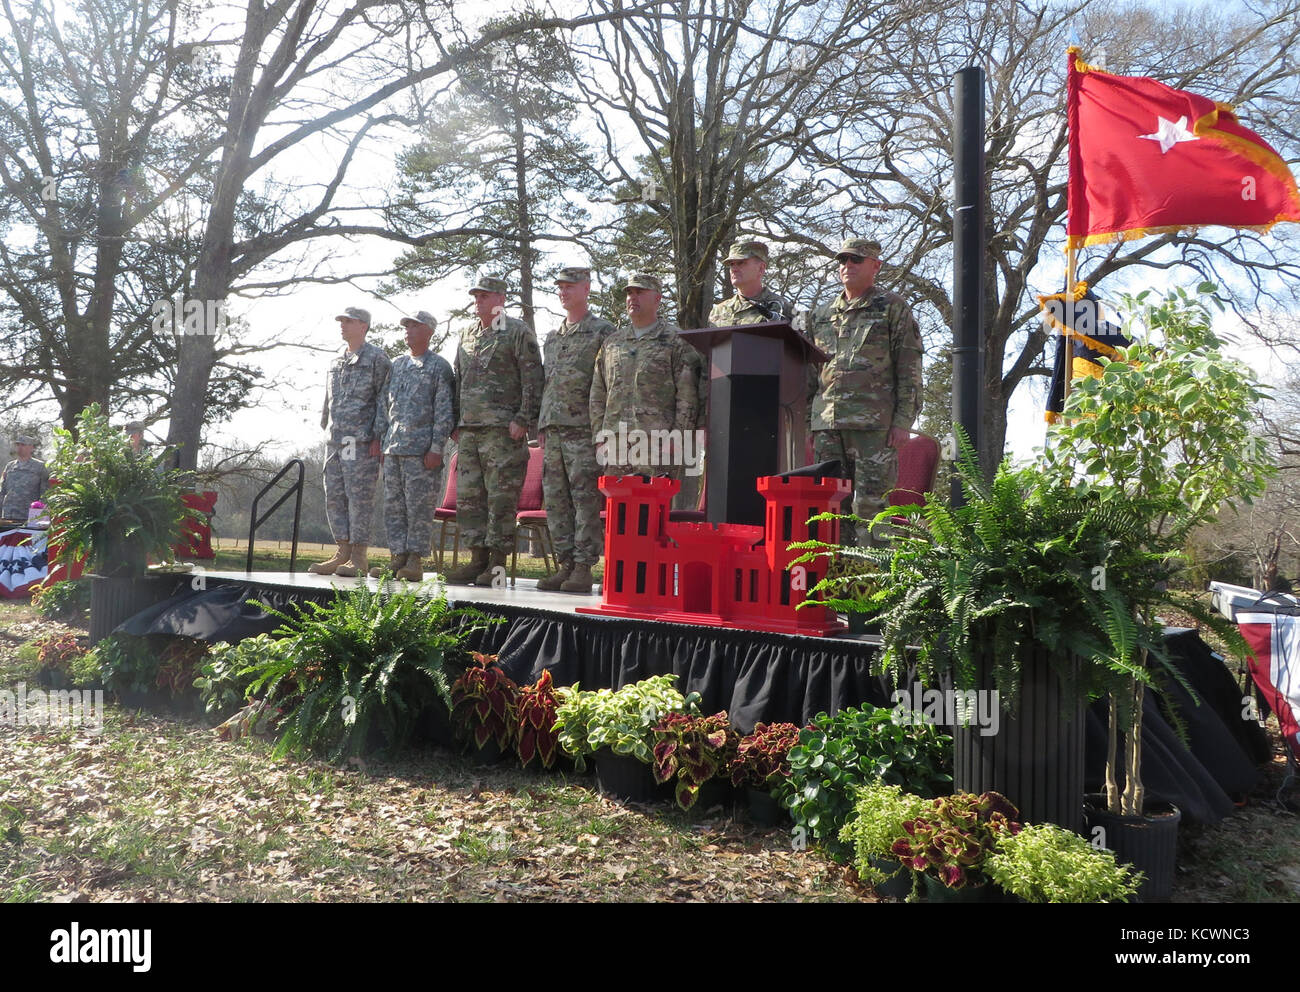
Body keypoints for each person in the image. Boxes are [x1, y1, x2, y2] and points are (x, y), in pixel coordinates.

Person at [810, 237, 923, 545]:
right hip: (829, 426)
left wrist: (903, 422)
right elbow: (811, 372)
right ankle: (836, 581)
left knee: (872, 508)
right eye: (843, 260)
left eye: (856, 260)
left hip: (875, 426)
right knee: (831, 508)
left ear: (876, 265)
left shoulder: (892, 308)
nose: (847, 265)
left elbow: (909, 367)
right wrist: (811, 421)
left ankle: (877, 584)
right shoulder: (821, 314)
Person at [445, 276, 544, 585]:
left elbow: (533, 379)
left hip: (504, 432)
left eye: (485, 295)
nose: (479, 300)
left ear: (501, 297)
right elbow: (458, 381)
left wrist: (523, 418)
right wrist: (455, 422)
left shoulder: (517, 332)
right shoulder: (466, 334)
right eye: (476, 296)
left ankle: (497, 566)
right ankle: (477, 561)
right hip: (470, 431)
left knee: (501, 501)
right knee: (470, 500)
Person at [536, 266, 616, 594]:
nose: (563, 292)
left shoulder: (603, 332)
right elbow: (548, 382)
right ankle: (565, 564)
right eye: (560, 287)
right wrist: (541, 422)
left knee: (584, 499)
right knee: (556, 500)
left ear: (586, 288)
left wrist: (605, 430)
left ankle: (584, 567)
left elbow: (611, 383)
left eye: (570, 286)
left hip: (584, 428)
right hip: (552, 429)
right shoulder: (553, 337)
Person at [372, 310, 455, 582]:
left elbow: (444, 411)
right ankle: (396, 558)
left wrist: (436, 447)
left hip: (422, 452)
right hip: (394, 448)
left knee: (419, 508)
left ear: (429, 331)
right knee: (394, 507)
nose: (407, 330)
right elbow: (386, 406)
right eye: (406, 326)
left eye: (414, 326)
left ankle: (415, 561)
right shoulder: (397, 365)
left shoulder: (438, 367)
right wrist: (383, 441)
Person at [590, 273, 699, 479]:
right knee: (617, 508)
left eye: (640, 292)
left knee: (653, 507)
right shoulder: (612, 343)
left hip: (657, 442)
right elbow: (598, 392)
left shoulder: (676, 340)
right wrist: (599, 436)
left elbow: (687, 395)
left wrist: (679, 436)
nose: (632, 297)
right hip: (615, 442)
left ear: (657, 299)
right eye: (629, 293)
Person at [309, 306, 391, 578]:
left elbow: (384, 400)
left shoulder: (377, 359)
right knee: (334, 496)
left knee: (359, 498)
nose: (342, 324)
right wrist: (325, 426)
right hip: (335, 440)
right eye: (341, 320)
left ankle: (359, 556)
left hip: (362, 440)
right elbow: (328, 400)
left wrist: (378, 435)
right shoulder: (335, 361)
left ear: (364, 326)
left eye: (348, 321)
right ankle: (341, 551)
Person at [708, 239, 793, 326]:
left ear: (761, 268)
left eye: (741, 263)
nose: (734, 269)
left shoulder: (784, 308)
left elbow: (800, 338)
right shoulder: (717, 311)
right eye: (732, 264)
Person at [1, 434, 50, 521]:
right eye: (18, 445)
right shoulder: (10, 466)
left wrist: (39, 516)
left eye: (23, 445)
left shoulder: (40, 467)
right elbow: (2, 490)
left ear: (31, 447)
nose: (20, 447)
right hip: (8, 515)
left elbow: (45, 494)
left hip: (28, 516)